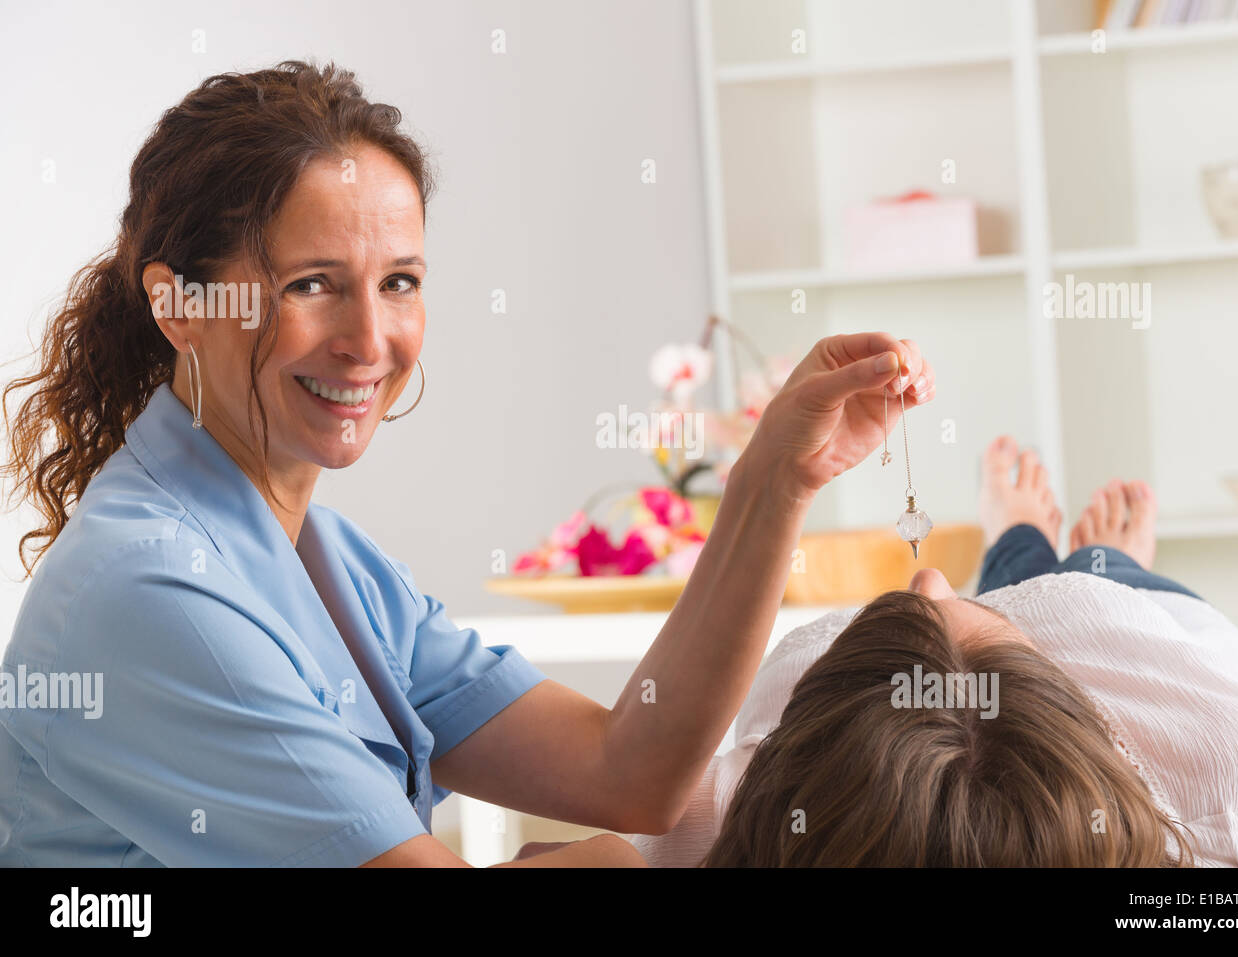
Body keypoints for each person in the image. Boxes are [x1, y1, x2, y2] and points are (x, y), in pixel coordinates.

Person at [0, 60, 937, 867]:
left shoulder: (330, 562)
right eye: (312, 285)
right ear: (178, 306)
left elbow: (630, 768)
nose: (371, 340)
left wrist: (778, 476)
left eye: (399, 282)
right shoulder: (151, 590)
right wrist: (607, 860)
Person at [629, 437, 1238, 867]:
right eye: (997, 622)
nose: (927, 578)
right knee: (1095, 571)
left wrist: (771, 482)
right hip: (1127, 619)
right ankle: (1041, 548)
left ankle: (1017, 537)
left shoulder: (741, 810)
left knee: (1012, 575)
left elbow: (630, 795)